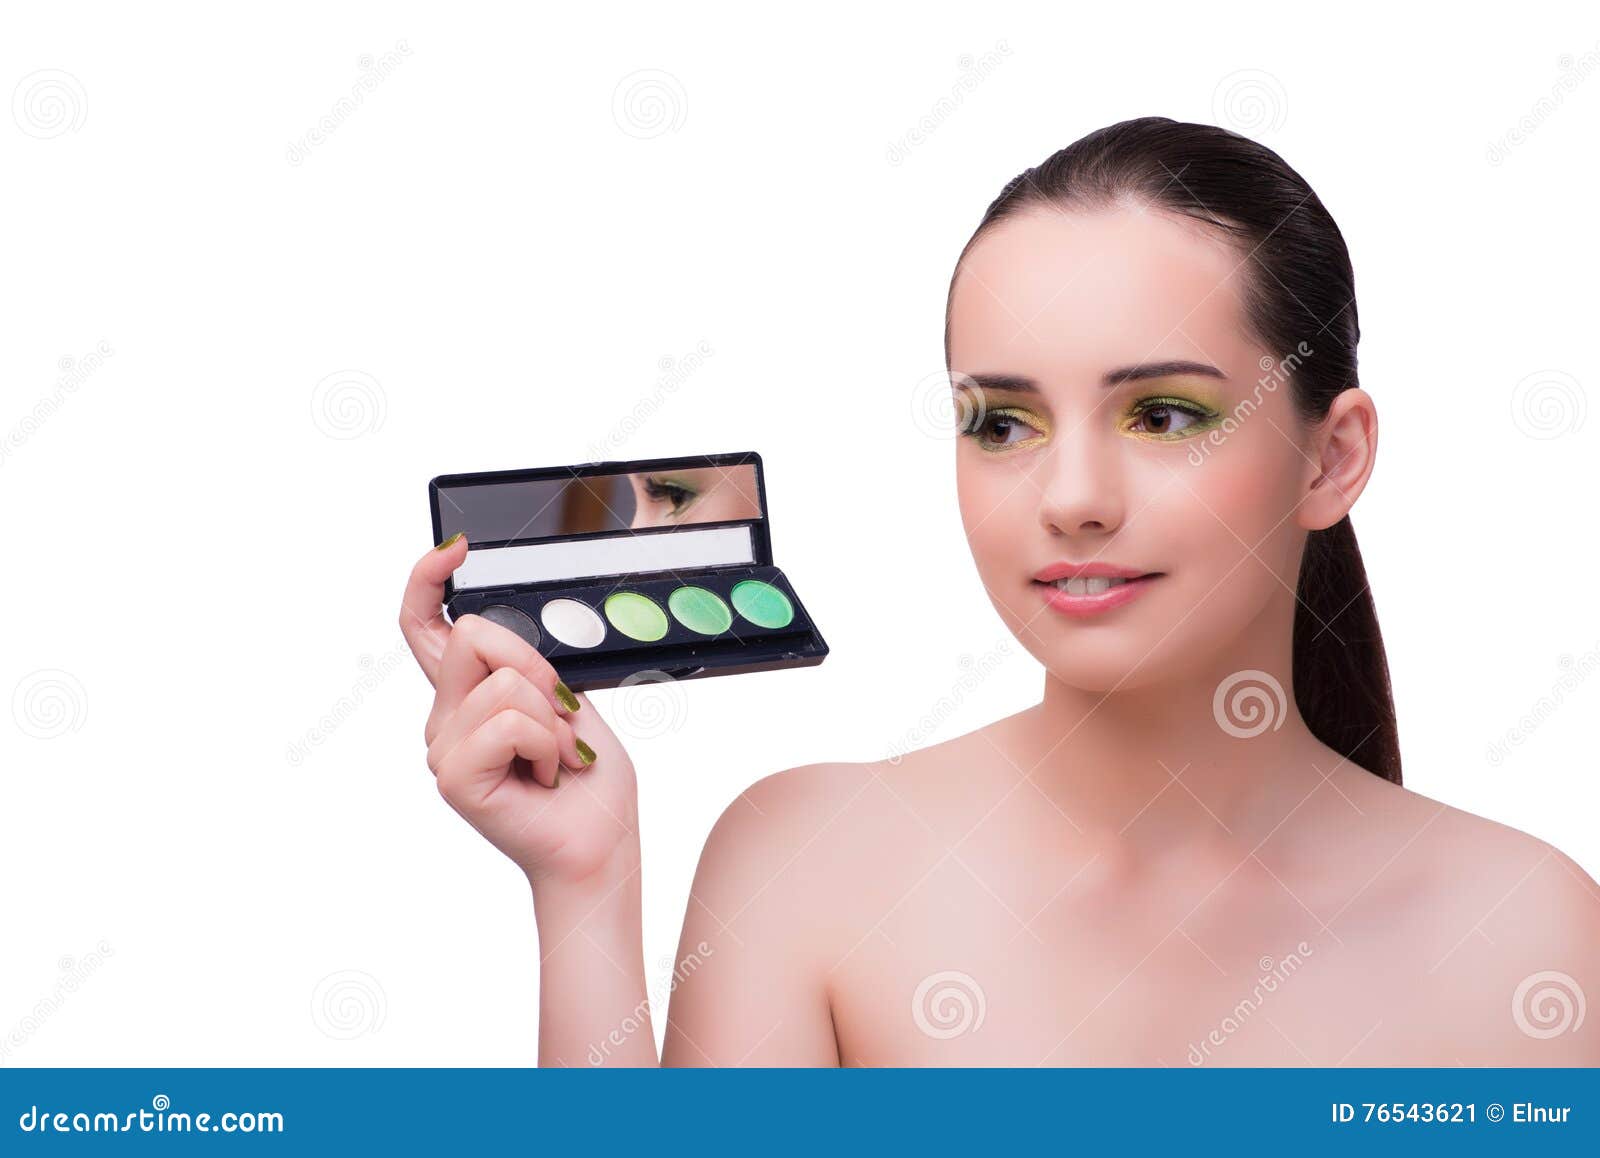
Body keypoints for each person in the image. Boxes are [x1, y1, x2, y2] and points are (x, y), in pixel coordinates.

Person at [399, 117, 1600, 1066]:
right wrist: (583, 889)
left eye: (1162, 414)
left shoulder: (1531, 933)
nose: (1070, 495)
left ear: (1330, 456)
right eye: (1003, 422)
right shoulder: (807, 864)